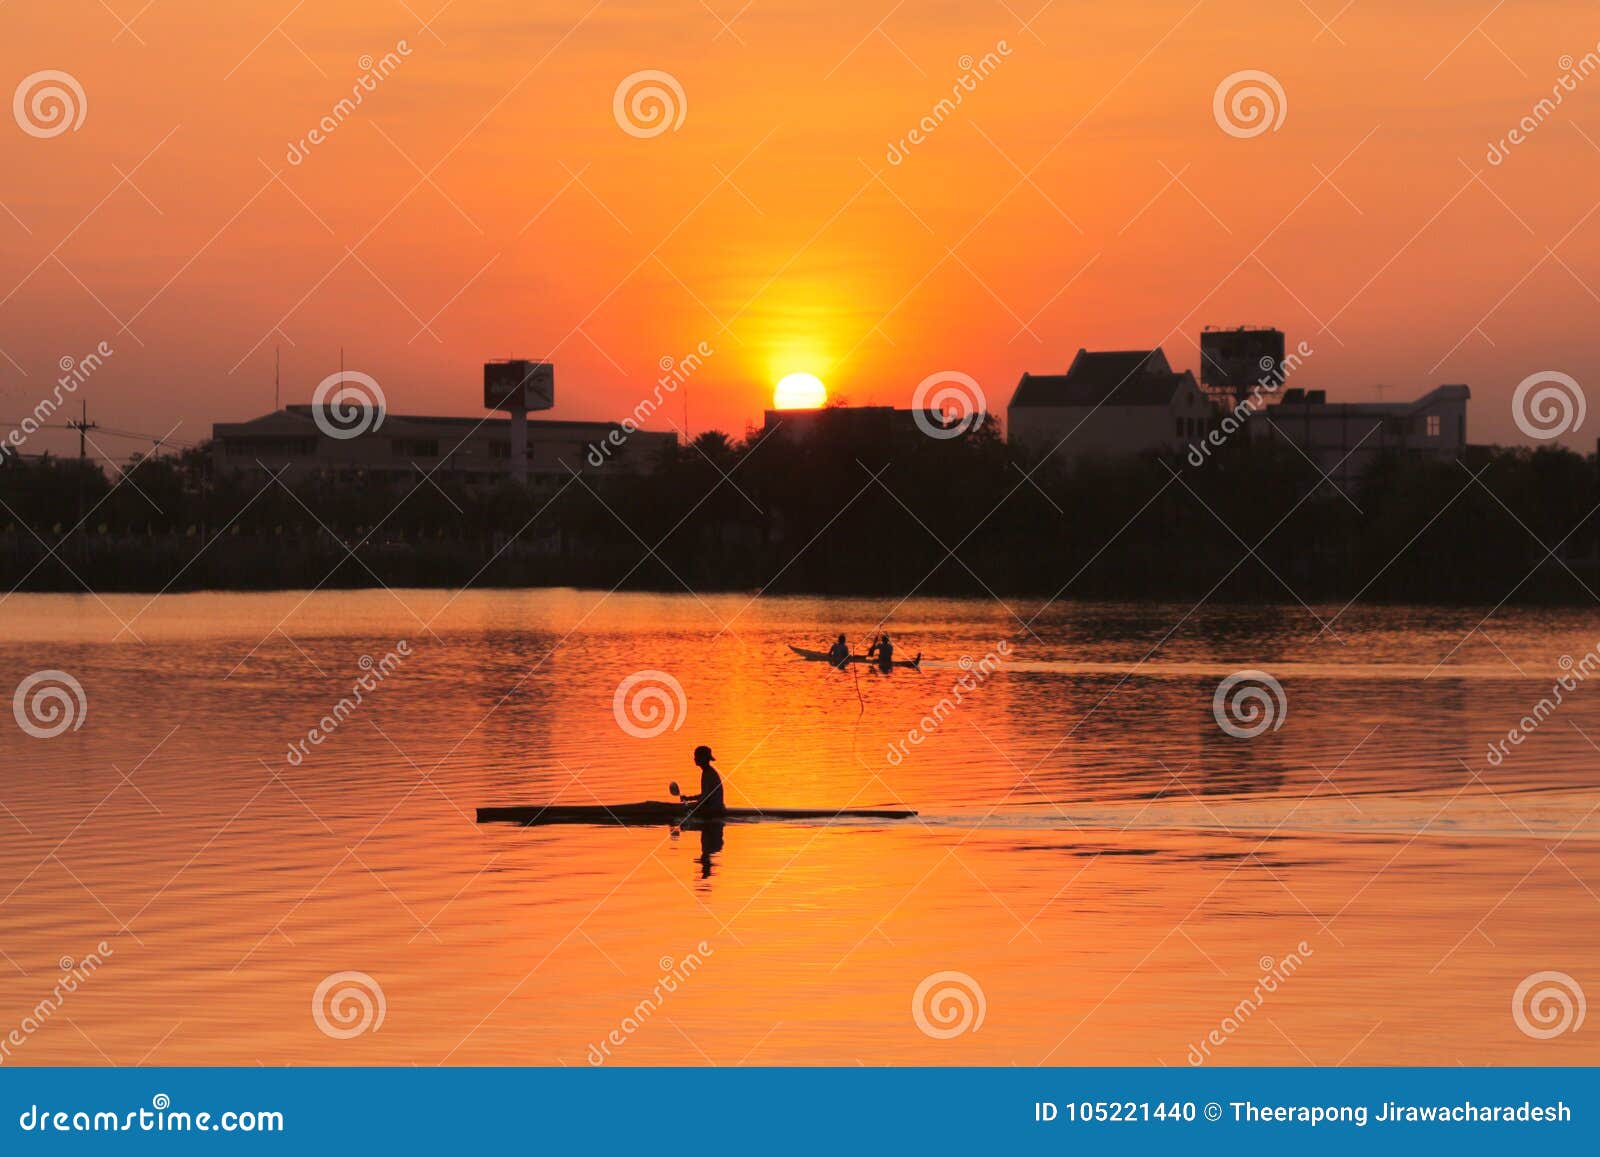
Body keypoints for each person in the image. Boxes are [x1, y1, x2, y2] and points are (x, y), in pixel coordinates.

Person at [678, 744, 726, 818]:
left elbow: (705, 797)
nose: (694, 758)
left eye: (696, 756)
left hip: (712, 809)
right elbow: (705, 795)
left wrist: (690, 803)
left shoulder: (708, 773)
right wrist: (688, 799)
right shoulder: (708, 771)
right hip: (716, 807)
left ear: (702, 758)